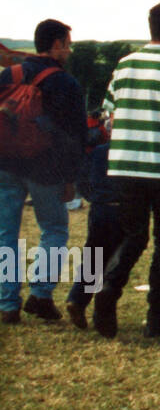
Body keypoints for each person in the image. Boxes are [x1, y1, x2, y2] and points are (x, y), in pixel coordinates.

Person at [93, 2, 160, 339]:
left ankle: (107, 291)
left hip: (124, 167)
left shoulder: (124, 65)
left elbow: (110, 114)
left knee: (135, 236)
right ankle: (157, 315)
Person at [0, 19, 87, 324]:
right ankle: (41, 293)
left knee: (5, 235)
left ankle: (7, 304)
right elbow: (76, 135)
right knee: (54, 229)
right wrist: (71, 179)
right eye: (67, 44)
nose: (69, 50)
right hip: (45, 167)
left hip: (5, 163)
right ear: (57, 44)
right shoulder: (64, 82)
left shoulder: (9, 74)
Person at [66, 122, 118, 329]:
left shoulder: (98, 152)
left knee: (94, 256)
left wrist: (93, 197)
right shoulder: (129, 155)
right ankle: (102, 311)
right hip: (121, 209)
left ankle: (77, 299)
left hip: (99, 208)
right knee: (115, 262)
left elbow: (82, 179)